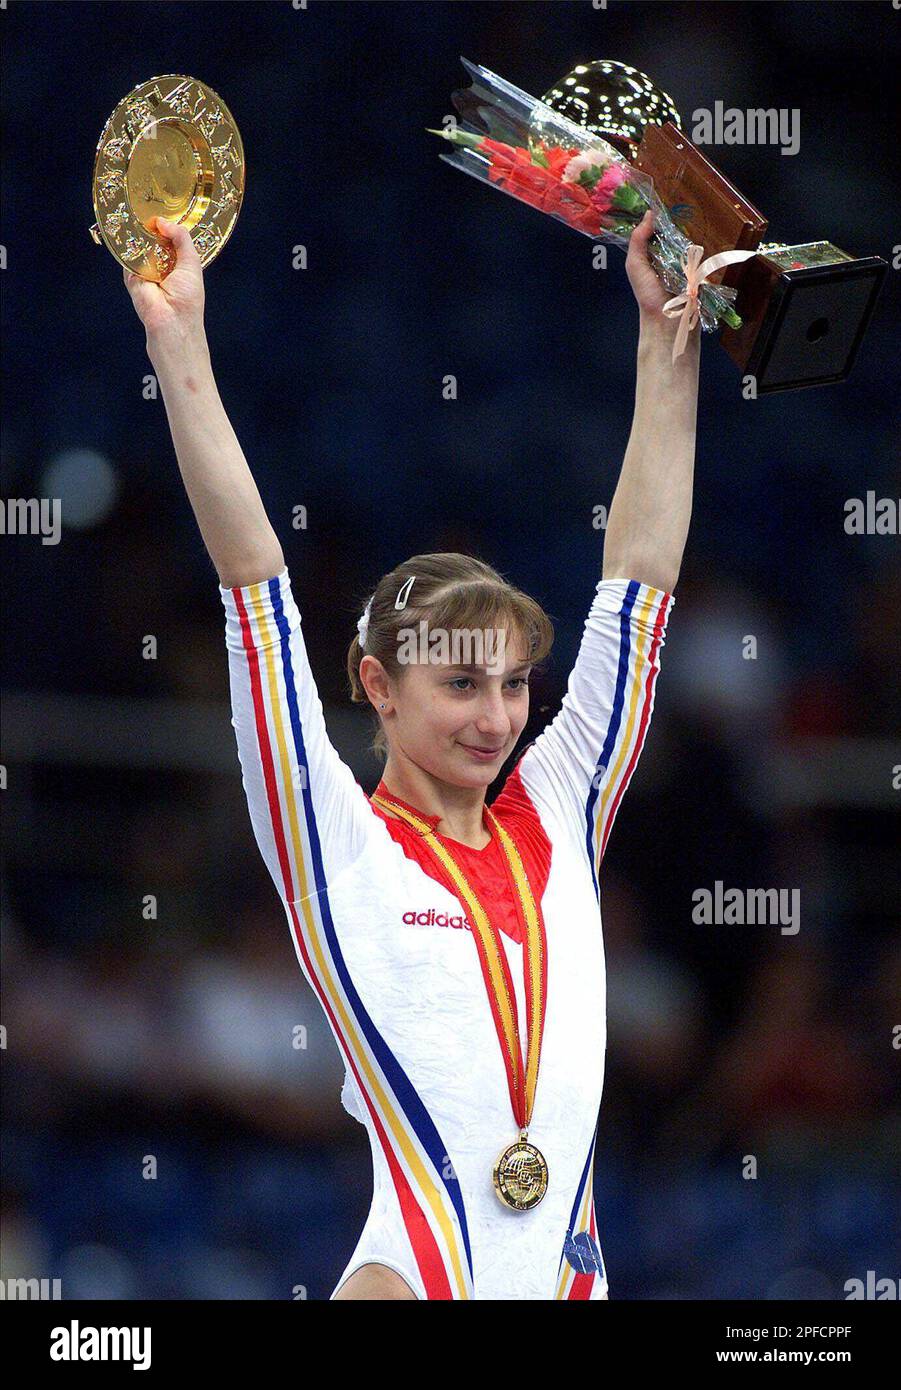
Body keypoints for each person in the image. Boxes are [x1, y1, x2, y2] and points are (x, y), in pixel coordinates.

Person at [124, 206, 700, 1300]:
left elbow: (640, 582)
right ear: (378, 687)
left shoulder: (561, 807)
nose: (497, 717)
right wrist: (180, 346)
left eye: (514, 683)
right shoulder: (332, 838)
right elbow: (253, 586)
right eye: (459, 684)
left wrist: (664, 342)